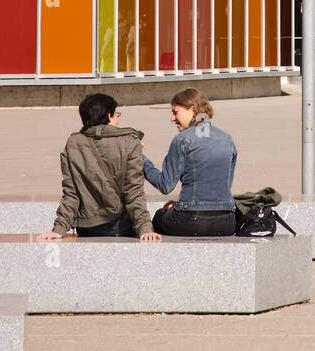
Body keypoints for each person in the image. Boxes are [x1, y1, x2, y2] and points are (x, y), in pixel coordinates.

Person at [36, 93, 160, 241]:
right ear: (109, 116)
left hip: (87, 226)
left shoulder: (74, 143)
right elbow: (134, 191)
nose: (117, 120)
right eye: (116, 115)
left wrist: (59, 229)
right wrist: (145, 228)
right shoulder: (129, 141)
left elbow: (71, 192)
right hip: (120, 225)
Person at [143, 87, 238, 236]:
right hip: (227, 222)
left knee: (159, 217)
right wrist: (183, 205)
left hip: (191, 220)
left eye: (175, 112)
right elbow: (224, 185)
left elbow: (165, 185)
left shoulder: (183, 139)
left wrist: (140, 159)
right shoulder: (227, 139)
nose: (172, 119)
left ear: (192, 110)